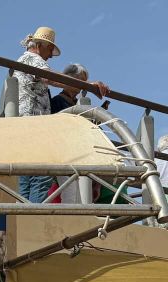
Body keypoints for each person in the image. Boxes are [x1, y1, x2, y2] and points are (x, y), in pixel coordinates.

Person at [16, 27, 108, 202]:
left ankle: (22, 219)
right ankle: (32, 218)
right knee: (41, 176)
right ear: (41, 45)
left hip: (26, 125)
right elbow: (48, 77)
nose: (50, 55)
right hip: (35, 125)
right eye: (50, 49)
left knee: (26, 177)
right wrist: (88, 86)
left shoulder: (23, 60)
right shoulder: (32, 58)